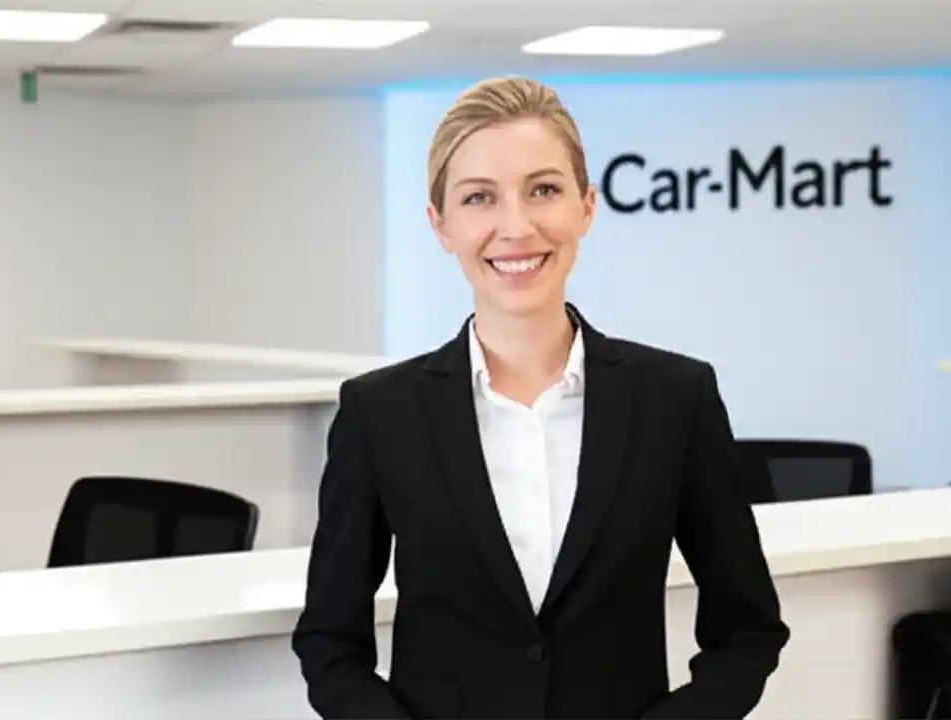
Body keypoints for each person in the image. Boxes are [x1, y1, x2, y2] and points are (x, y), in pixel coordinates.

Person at [292, 76, 790, 719]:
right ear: (440, 224)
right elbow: (329, 643)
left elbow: (747, 632)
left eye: (544, 190)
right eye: (479, 198)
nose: (516, 226)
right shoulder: (379, 414)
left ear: (586, 205)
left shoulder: (676, 399)